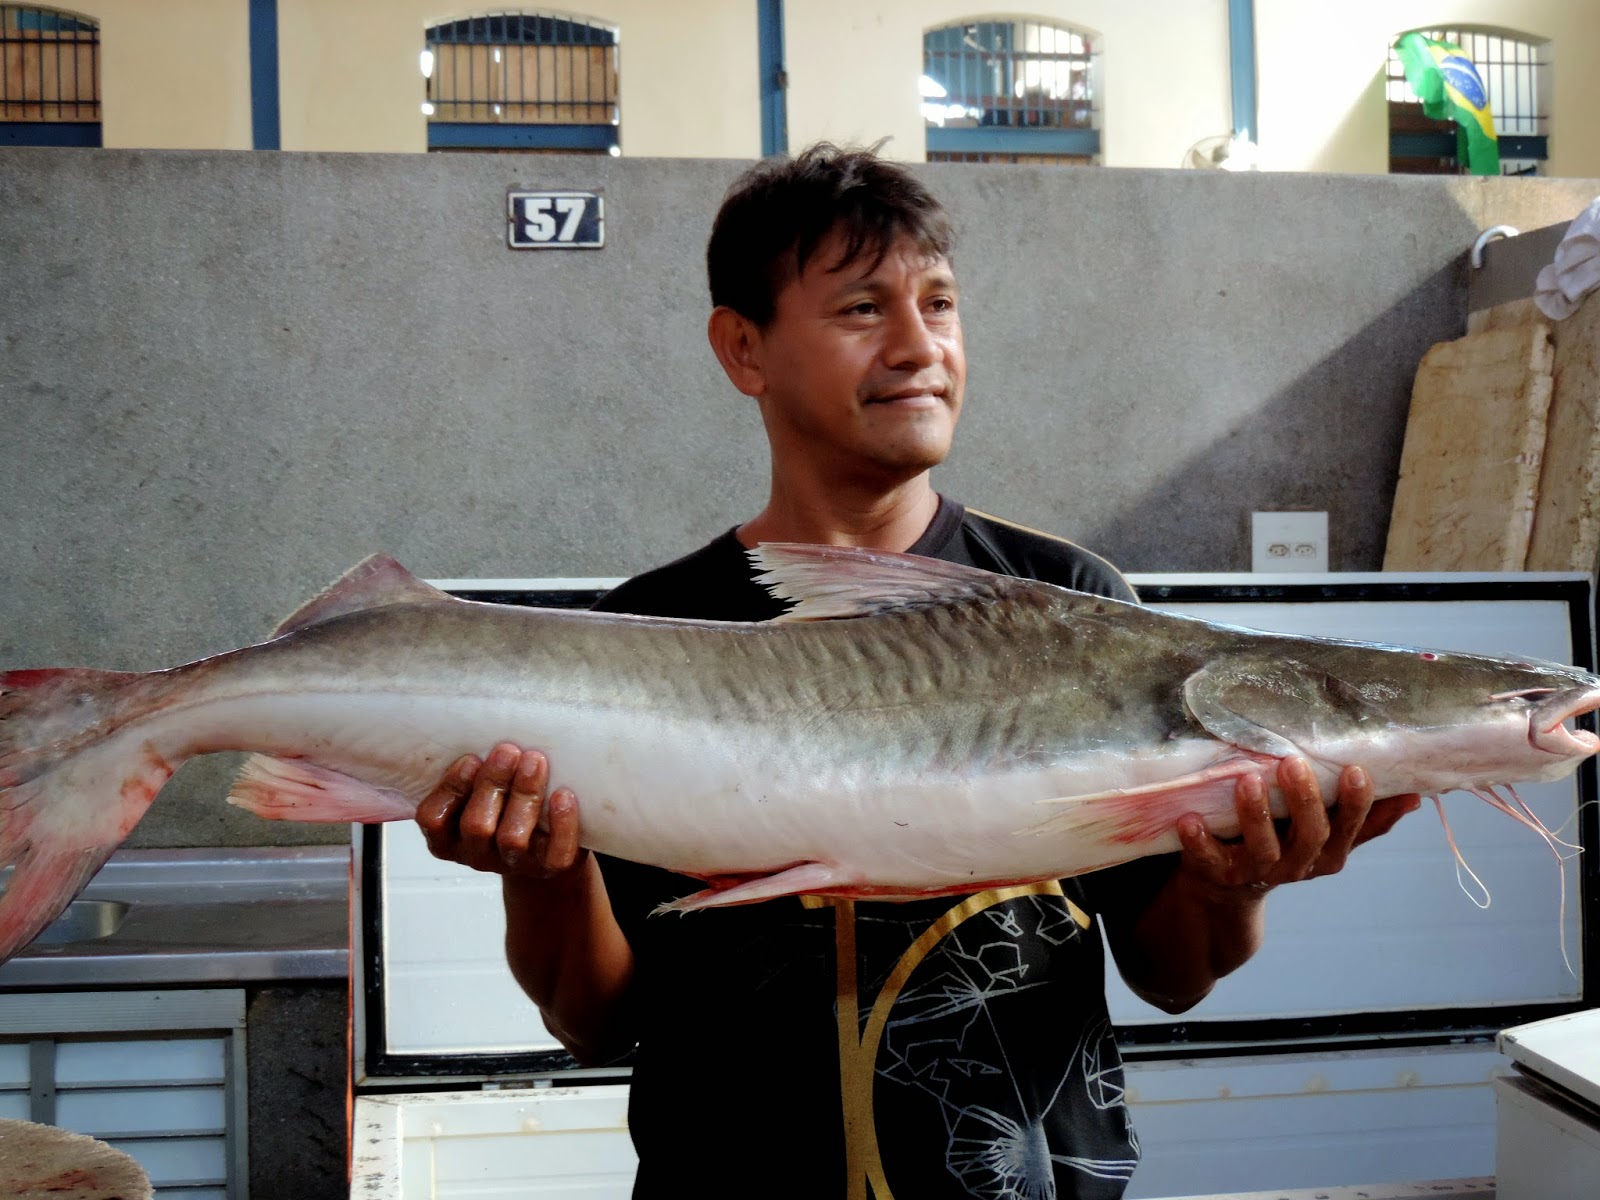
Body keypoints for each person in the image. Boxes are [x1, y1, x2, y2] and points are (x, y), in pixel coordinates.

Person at [416, 144, 1422, 1199]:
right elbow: (593, 1020)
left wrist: (1239, 878)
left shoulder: (1069, 603)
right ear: (743, 349)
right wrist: (543, 873)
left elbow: (1173, 974)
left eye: (939, 305)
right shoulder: (650, 633)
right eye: (861, 310)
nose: (918, 346)